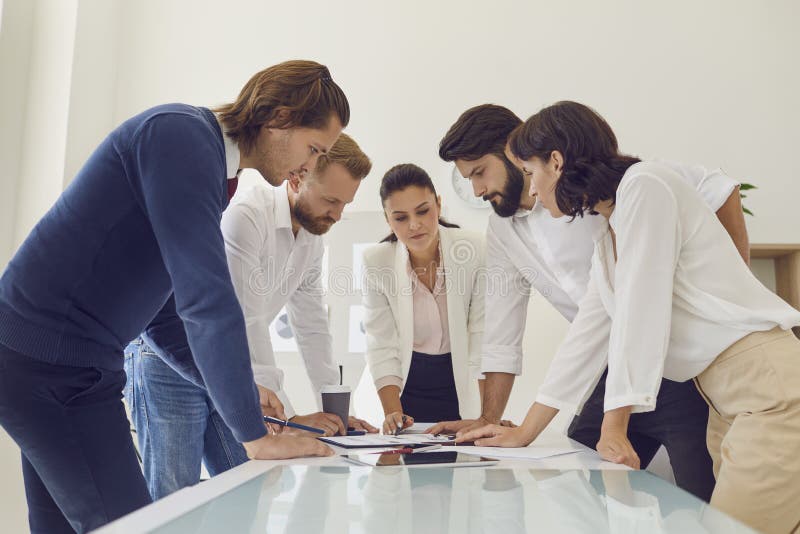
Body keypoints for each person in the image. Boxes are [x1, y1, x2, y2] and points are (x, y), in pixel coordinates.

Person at [0, 60, 344, 533]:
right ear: (279, 118)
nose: (310, 166)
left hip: (60, 365)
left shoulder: (206, 165)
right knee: (134, 526)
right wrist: (252, 434)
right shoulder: (180, 138)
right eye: (314, 148)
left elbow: (165, 316)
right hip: (52, 367)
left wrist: (241, 394)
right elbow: (207, 300)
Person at [459, 101, 800, 534]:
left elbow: (643, 310)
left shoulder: (645, 186)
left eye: (531, 174)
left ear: (557, 163)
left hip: (767, 391)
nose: (533, 192)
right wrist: (525, 429)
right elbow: (590, 332)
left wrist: (614, 425)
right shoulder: (610, 233)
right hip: (726, 402)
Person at [125, 133, 378, 500]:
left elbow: (312, 327)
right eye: (330, 200)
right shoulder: (247, 215)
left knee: (249, 483)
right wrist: (286, 420)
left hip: (225, 364)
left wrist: (334, 415)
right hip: (170, 357)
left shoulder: (312, 239)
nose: (337, 215)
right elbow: (247, 319)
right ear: (296, 177)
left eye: (345, 204)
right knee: (173, 495)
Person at [361, 164, 486, 434]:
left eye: (422, 211)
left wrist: (487, 415)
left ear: (438, 205)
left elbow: (480, 335)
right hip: (402, 385)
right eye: (400, 218)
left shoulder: (474, 249)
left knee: (464, 468)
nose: (414, 225)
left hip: (459, 381)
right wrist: (392, 412)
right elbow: (381, 344)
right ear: (387, 219)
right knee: (402, 467)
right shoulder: (376, 262)